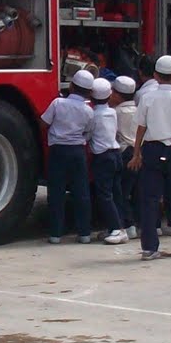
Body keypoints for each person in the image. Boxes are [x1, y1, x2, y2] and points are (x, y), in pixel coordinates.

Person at [130, 54, 171, 260]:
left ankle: (150, 247)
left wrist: (136, 153)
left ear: (156, 76)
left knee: (149, 199)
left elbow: (141, 129)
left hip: (152, 150)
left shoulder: (147, 98)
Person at [41, 69, 95, 244]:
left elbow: (44, 123)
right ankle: (84, 233)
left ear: (71, 86)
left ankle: (56, 234)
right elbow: (89, 132)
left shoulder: (57, 103)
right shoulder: (88, 111)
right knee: (81, 192)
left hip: (58, 151)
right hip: (78, 152)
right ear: (88, 92)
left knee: (56, 192)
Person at [88, 77, 129, 244]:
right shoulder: (112, 112)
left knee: (105, 195)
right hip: (116, 154)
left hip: (103, 157)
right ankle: (121, 226)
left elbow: (87, 134)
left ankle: (116, 229)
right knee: (117, 193)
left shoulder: (93, 115)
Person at [112, 74, 139, 238]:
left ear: (117, 94)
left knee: (121, 192)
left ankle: (128, 225)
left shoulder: (116, 112)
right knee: (137, 190)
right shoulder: (139, 110)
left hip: (125, 154)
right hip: (140, 152)